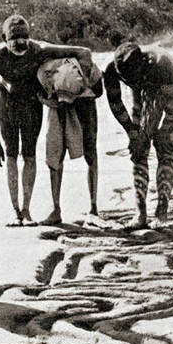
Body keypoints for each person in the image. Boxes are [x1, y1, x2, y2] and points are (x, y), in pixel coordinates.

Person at [0, 15, 96, 226]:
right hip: (7, 107)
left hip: (31, 106)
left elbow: (83, 51)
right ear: (3, 38)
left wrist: (81, 84)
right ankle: (15, 211)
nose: (20, 42)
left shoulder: (39, 50)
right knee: (10, 155)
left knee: (29, 155)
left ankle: (26, 211)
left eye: (24, 37)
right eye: (14, 38)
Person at [103, 37, 173, 228]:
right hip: (140, 93)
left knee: (165, 147)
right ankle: (140, 212)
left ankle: (162, 210)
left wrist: (163, 132)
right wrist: (133, 133)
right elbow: (115, 103)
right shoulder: (111, 70)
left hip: (164, 88)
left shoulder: (162, 65)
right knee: (139, 150)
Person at [36, 52, 104, 224]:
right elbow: (99, 90)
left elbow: (39, 92)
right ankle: (89, 207)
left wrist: (57, 97)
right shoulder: (83, 63)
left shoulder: (50, 65)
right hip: (73, 107)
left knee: (61, 157)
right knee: (76, 155)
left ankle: (63, 208)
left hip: (73, 107)